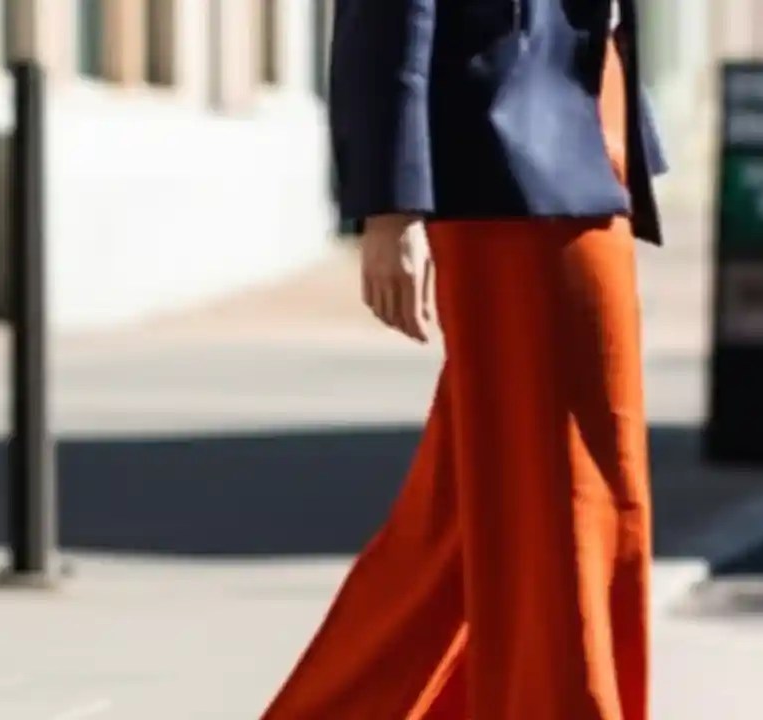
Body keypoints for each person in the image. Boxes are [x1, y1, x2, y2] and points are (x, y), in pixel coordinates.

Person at [260, 0, 666, 718]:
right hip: (508, 146)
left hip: (581, 117)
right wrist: (390, 205)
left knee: (472, 517)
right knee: (566, 496)